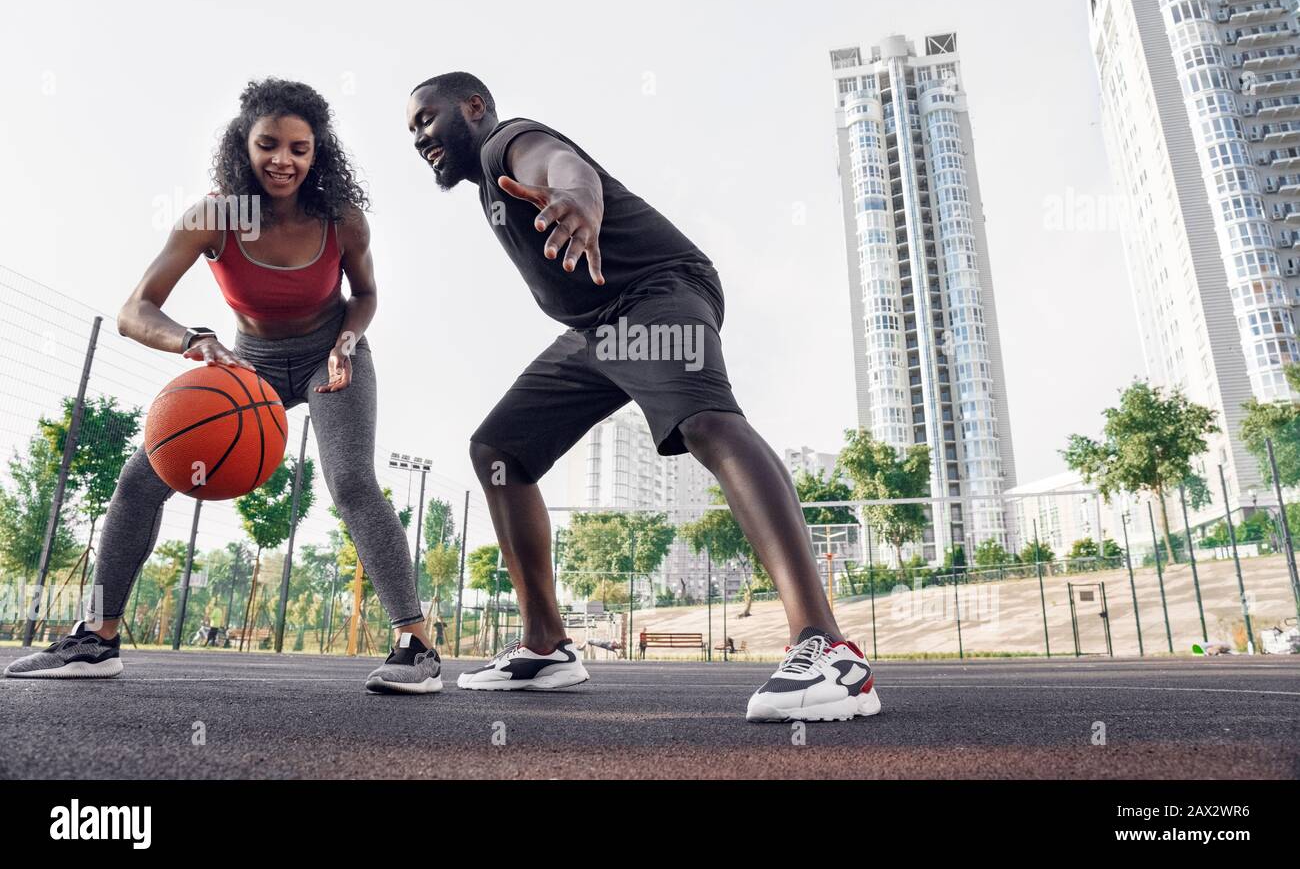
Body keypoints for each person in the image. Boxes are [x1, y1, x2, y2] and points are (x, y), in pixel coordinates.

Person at [405, 72, 881, 721]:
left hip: (657, 291)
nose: (419, 137)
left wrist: (579, 200)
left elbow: (561, 163)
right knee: (500, 450)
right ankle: (546, 645)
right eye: (411, 130)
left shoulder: (505, 144)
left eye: (427, 120)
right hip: (600, 329)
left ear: (474, 108)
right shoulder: (487, 187)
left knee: (706, 423)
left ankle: (829, 649)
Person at [5, 79, 439, 695]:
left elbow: (365, 294)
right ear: (245, 145)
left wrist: (346, 343)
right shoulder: (214, 217)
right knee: (137, 480)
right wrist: (194, 342)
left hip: (330, 356)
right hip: (246, 364)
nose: (282, 160)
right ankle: (97, 638)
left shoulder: (341, 220)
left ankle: (416, 646)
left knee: (351, 482)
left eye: (298, 147)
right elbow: (136, 310)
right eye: (268, 145)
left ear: (318, 153)